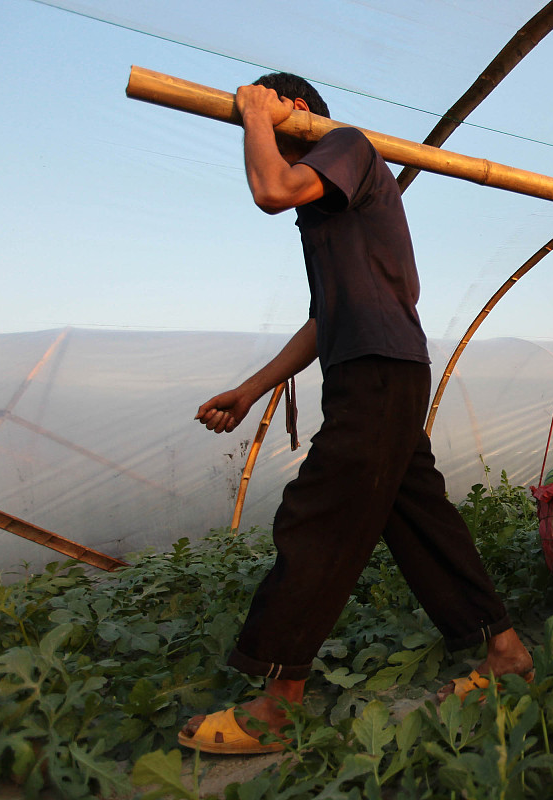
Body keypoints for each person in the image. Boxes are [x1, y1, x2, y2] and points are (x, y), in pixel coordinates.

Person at [177, 73, 532, 755]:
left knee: (319, 517)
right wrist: (251, 389)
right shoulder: (329, 211)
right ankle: (506, 652)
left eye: (263, 109)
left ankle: (278, 704)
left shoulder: (346, 146)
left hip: (378, 370)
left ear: (295, 108)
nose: (252, 126)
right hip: (374, 369)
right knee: (418, 518)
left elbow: (270, 191)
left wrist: (256, 112)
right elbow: (323, 320)